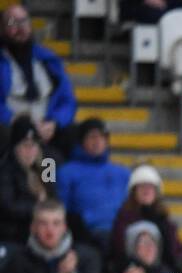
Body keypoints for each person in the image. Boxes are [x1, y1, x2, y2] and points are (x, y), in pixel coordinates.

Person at [0, 6, 77, 151]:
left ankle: (50, 173)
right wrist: (13, 120)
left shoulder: (49, 59)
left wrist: (54, 123)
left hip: (45, 125)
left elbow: (68, 101)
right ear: (2, 28)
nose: (20, 28)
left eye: (23, 21)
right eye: (12, 23)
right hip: (11, 127)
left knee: (72, 132)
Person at [56, 118, 129, 247]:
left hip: (121, 233)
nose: (97, 142)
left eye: (102, 137)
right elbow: (61, 209)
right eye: (92, 137)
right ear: (82, 141)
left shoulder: (123, 173)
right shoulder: (67, 172)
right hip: (86, 235)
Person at [108, 164, 182, 273]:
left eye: (150, 187)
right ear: (133, 191)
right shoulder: (123, 219)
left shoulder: (165, 221)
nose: (146, 190)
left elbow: (175, 253)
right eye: (142, 187)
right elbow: (118, 252)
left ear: (157, 192)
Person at [0, 115, 51, 243]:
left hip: (45, 224)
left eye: (34, 146)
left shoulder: (47, 165)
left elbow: (54, 195)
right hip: (15, 231)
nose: (30, 151)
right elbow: (8, 206)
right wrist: (37, 208)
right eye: (25, 146)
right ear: (15, 147)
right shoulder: (6, 170)